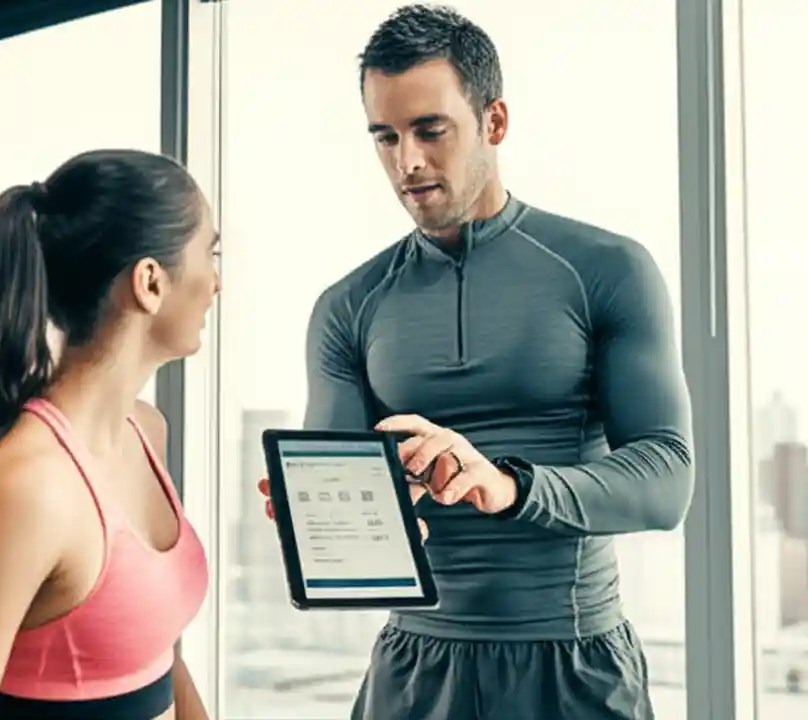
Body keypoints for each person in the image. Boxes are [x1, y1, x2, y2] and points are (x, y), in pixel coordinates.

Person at [258, 4, 694, 719]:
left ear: (495, 122)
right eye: (385, 136)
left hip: (573, 668)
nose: (407, 161)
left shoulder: (607, 269)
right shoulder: (347, 306)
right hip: (415, 671)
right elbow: (346, 523)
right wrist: (315, 512)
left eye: (430, 130)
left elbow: (667, 479)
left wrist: (509, 485)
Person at [0, 149, 220, 720]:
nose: (217, 283)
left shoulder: (145, 432)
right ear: (150, 282)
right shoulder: (27, 485)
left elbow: (158, 654)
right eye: (209, 255)